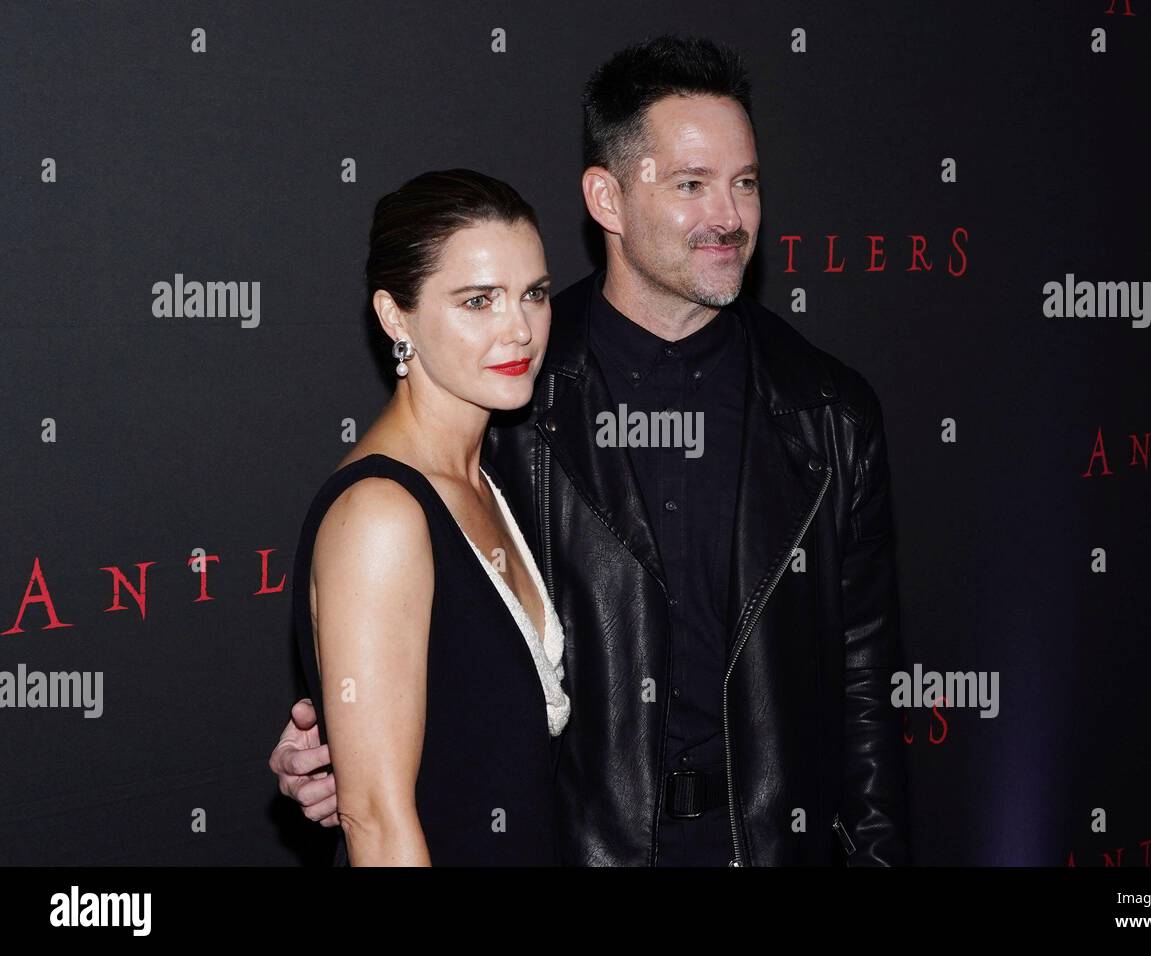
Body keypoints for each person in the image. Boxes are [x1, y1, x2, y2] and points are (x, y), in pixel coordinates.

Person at [272, 33, 909, 867]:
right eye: (691, 184)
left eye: (745, 183)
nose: (729, 215)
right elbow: (426, 666)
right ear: (607, 199)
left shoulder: (830, 412)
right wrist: (349, 758)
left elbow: (866, 692)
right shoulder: (504, 407)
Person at [287, 168, 569, 866]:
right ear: (394, 316)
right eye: (478, 301)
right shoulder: (380, 514)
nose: (519, 329)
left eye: (534, 294)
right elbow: (377, 825)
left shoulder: (490, 482)